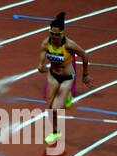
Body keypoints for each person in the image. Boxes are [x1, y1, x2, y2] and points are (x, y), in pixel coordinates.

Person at [37, 12, 91, 146]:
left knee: (56, 109)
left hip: (67, 78)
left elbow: (84, 55)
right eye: (52, 33)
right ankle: (55, 132)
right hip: (53, 76)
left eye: (57, 34)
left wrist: (85, 75)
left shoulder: (69, 45)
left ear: (62, 33)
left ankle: (67, 97)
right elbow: (43, 53)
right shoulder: (46, 42)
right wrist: (40, 64)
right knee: (49, 108)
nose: (54, 37)